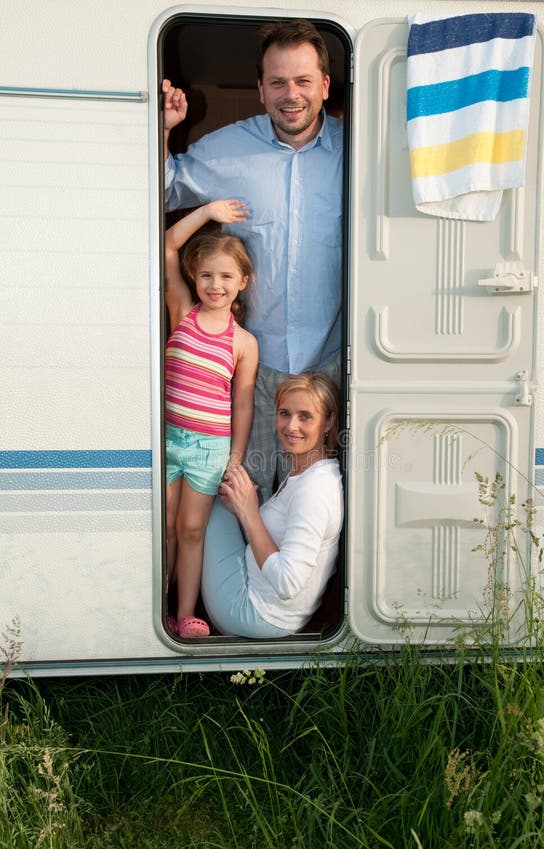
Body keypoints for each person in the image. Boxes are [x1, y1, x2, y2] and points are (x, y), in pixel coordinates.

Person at [162, 19, 343, 501]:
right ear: (261, 90)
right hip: (253, 371)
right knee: (247, 492)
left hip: (332, 367)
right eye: (278, 82)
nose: (292, 94)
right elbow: (160, 190)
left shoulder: (357, 151)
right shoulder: (227, 149)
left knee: (324, 501)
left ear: (325, 85)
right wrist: (162, 131)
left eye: (304, 80)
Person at [164, 199, 259, 638]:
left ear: (243, 281)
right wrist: (208, 212)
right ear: (193, 278)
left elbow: (241, 402)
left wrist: (235, 456)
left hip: (209, 447)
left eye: (225, 276)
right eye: (206, 274)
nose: (214, 285)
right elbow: (169, 245)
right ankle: (155, 609)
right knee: (163, 525)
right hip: (167, 440)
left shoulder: (244, 342)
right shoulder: (182, 312)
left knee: (191, 528)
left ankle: (185, 615)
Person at [200, 372, 343, 638]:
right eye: (284, 413)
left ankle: (180, 610)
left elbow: (288, 583)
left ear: (328, 422)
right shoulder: (307, 471)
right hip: (266, 606)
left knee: (205, 500)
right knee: (223, 500)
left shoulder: (314, 490)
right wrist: (241, 508)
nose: (291, 426)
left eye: (305, 416)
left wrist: (249, 512)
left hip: (255, 613)